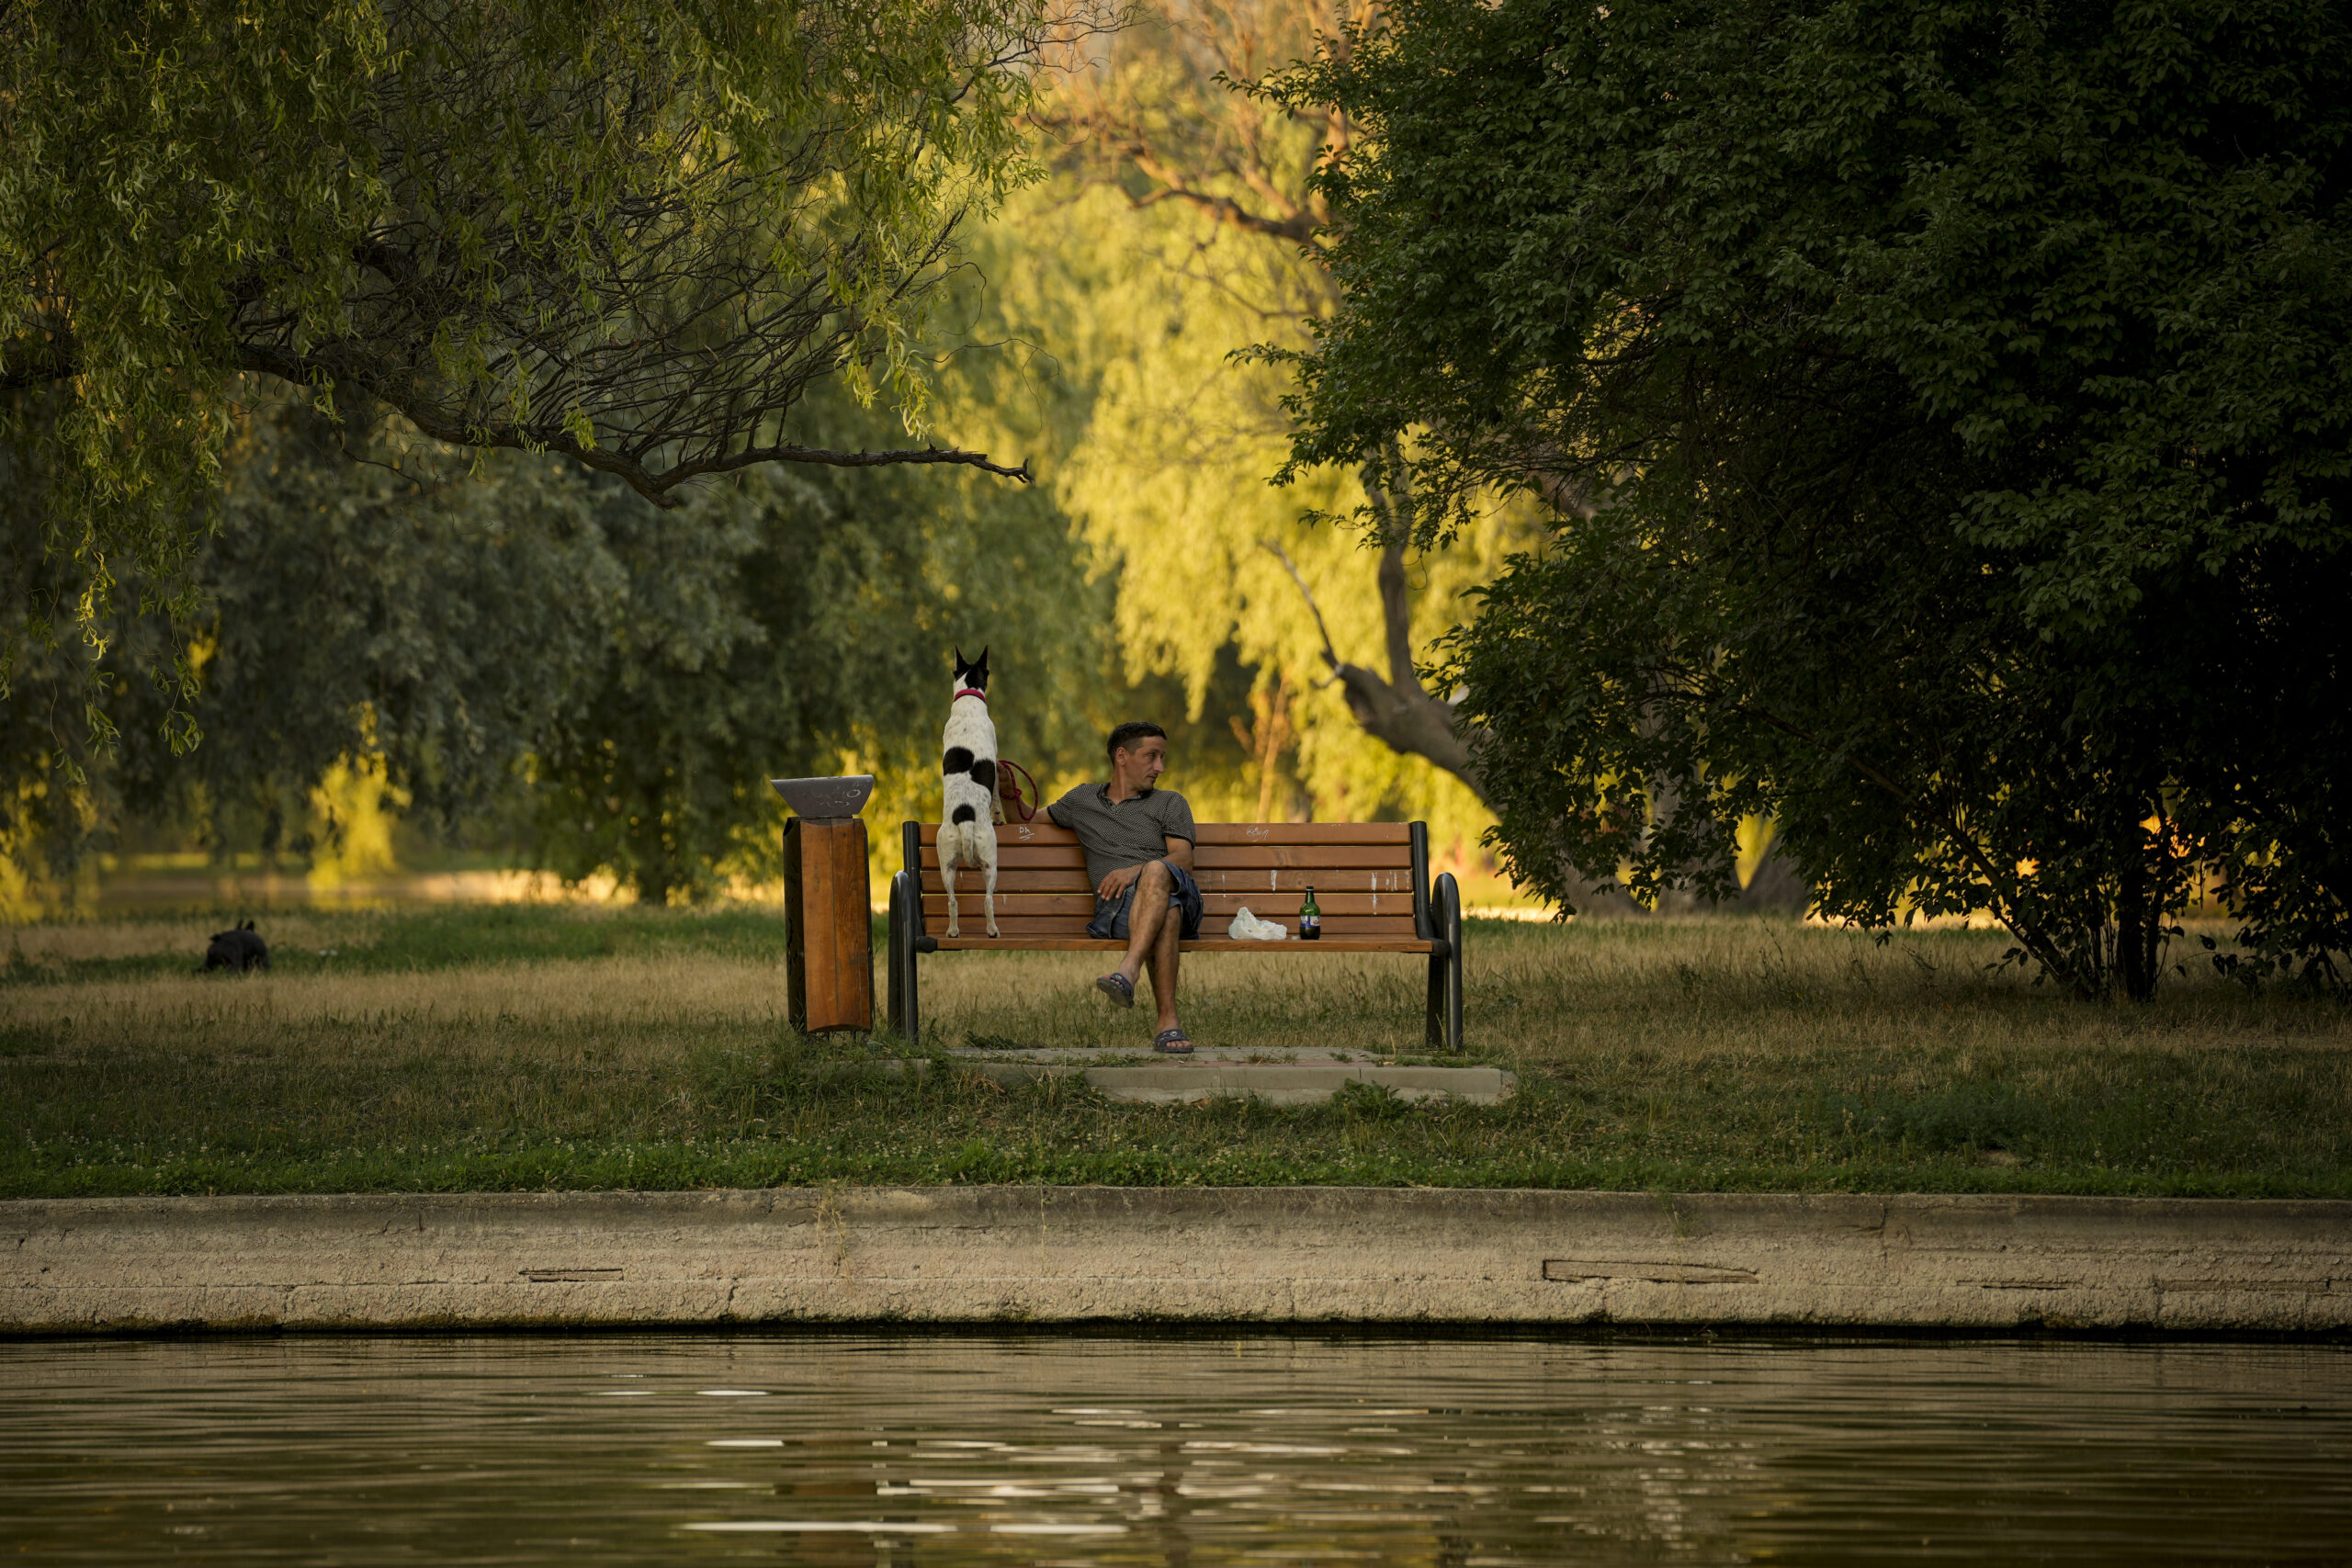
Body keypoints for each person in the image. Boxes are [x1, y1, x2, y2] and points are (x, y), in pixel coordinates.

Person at [1045, 720, 1204, 1054]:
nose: (1160, 767)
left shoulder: (1169, 802)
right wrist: (1003, 791)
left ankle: (1128, 972)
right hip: (1114, 910)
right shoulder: (1081, 800)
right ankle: (1168, 1026)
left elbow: (1183, 858)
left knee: (1161, 874)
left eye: (1162, 757)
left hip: (1178, 894)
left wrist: (1136, 871)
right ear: (1122, 756)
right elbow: (1029, 819)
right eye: (1152, 756)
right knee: (1167, 915)